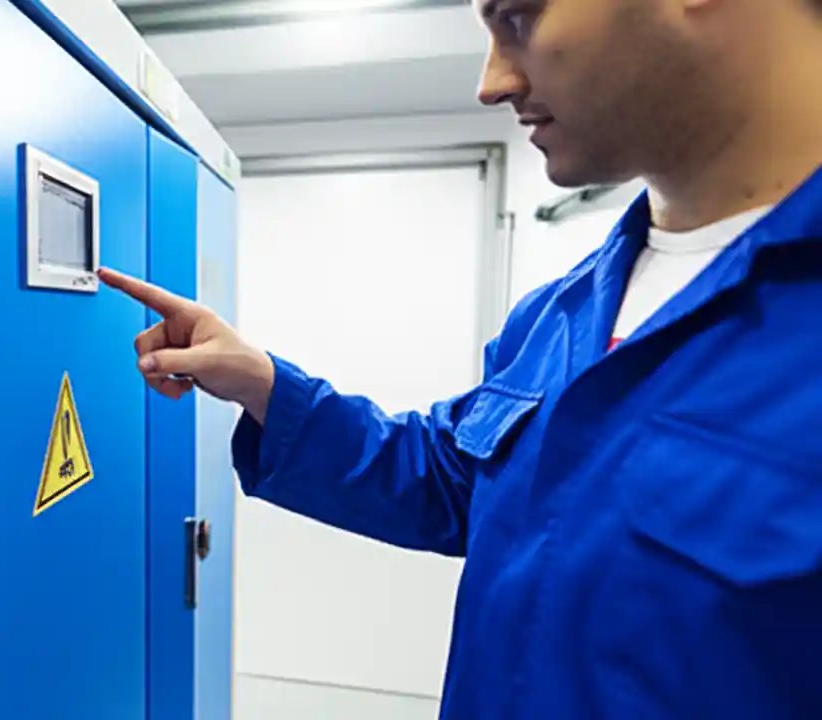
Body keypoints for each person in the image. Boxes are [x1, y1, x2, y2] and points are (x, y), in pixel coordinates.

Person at [101, 0, 822, 716]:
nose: (492, 82)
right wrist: (261, 384)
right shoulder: (557, 315)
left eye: (517, 17)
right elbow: (453, 479)